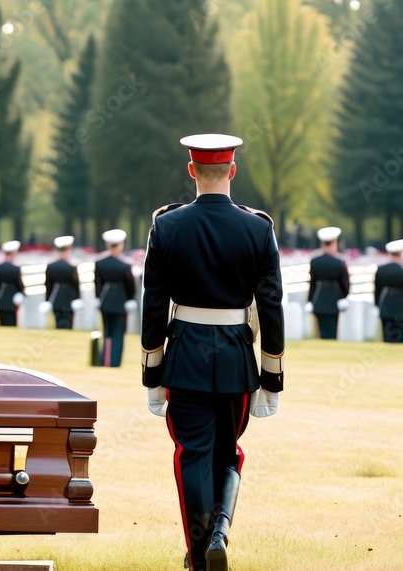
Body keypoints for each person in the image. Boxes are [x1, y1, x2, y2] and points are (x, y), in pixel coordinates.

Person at [141, 134, 284, 571]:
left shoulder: (166, 226)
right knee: (227, 452)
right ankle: (219, 532)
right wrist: (271, 377)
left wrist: (152, 374)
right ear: (232, 170)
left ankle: (200, 557)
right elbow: (271, 306)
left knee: (192, 454)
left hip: (185, 357)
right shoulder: (258, 227)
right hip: (237, 359)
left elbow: (153, 305)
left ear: (192, 171)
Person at [94, 229, 135, 366]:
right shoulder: (125, 264)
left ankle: (104, 360)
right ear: (121, 244)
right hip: (120, 300)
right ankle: (115, 362)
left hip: (105, 299)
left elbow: (98, 283)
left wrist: (98, 297)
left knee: (107, 331)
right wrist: (130, 299)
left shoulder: (100, 262)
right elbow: (130, 285)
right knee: (118, 333)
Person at [307, 226, 350, 339]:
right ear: (335, 242)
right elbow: (345, 283)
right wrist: (345, 296)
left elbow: (312, 282)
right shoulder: (340, 262)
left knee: (321, 332)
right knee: (332, 331)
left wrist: (310, 300)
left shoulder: (315, 261)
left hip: (319, 298)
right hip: (335, 299)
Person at [374, 239, 403, 343]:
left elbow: (377, 290)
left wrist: (377, 306)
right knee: (402, 338)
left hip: (386, 306)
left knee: (387, 338)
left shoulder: (381, 270)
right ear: (402, 253)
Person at [44, 236, 80, 329]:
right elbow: (76, 285)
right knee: (68, 324)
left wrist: (47, 300)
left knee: (58, 324)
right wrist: (78, 298)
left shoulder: (51, 266)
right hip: (69, 299)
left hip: (56, 299)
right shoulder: (71, 267)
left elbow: (48, 285)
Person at [0, 240, 24, 326]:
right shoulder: (16, 269)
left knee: (3, 323)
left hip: (1, 300)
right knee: (12, 323)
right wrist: (22, 294)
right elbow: (20, 285)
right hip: (13, 301)